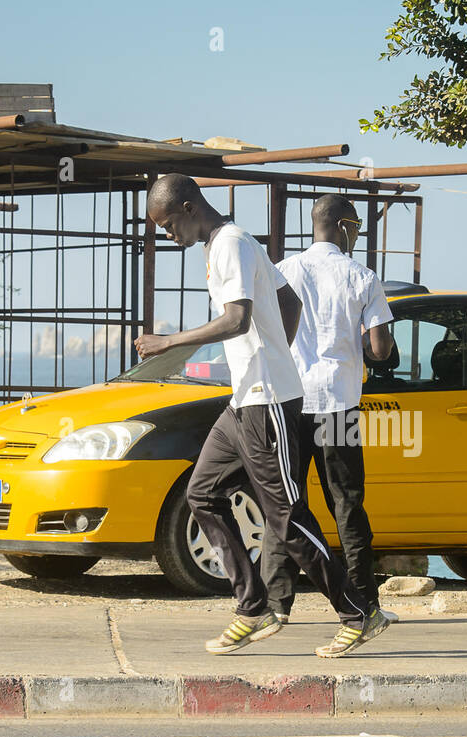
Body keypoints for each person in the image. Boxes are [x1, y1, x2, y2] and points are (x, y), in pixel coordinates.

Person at [134, 174, 390, 657]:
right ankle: (253, 606)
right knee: (202, 492)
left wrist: (167, 342)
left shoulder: (230, 244)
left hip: (267, 400)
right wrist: (275, 353)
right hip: (247, 397)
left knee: (288, 517)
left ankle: (359, 612)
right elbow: (288, 300)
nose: (169, 236)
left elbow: (237, 318)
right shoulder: (236, 241)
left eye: (169, 225)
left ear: (189, 208)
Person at [260, 194, 397, 639]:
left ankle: (276, 605)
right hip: (339, 406)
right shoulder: (363, 276)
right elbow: (380, 349)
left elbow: (270, 333)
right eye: (354, 226)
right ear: (341, 226)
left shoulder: (283, 270)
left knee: (285, 504)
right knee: (348, 506)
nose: (356, 234)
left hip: (292, 404)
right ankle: (363, 602)